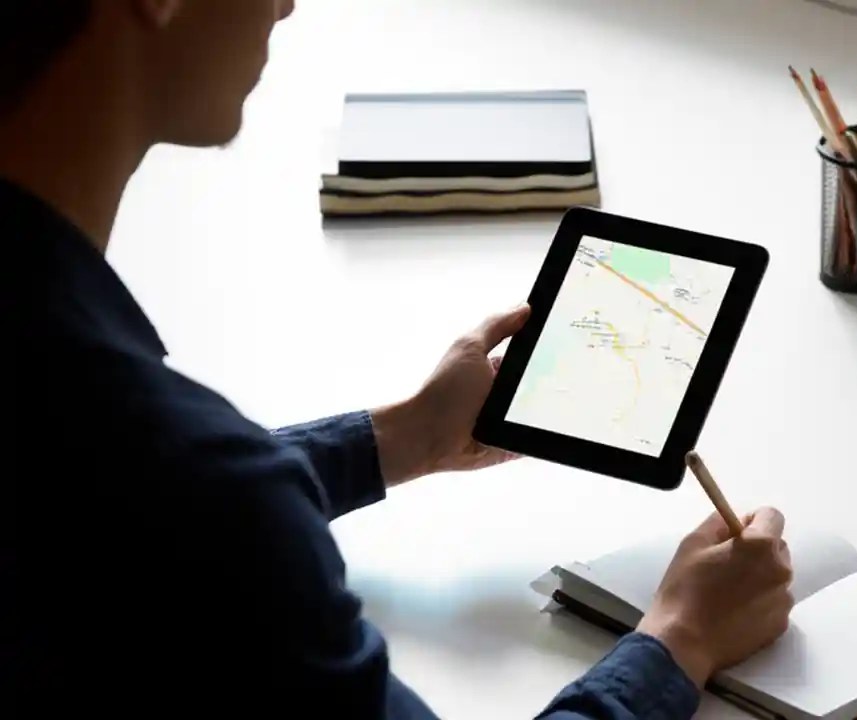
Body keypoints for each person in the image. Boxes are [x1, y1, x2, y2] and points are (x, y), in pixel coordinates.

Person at [3, 2, 796, 718]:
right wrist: (682, 637)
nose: (286, 3)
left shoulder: (96, 441)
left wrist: (398, 437)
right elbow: (184, 510)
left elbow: (131, 509)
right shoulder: (200, 499)